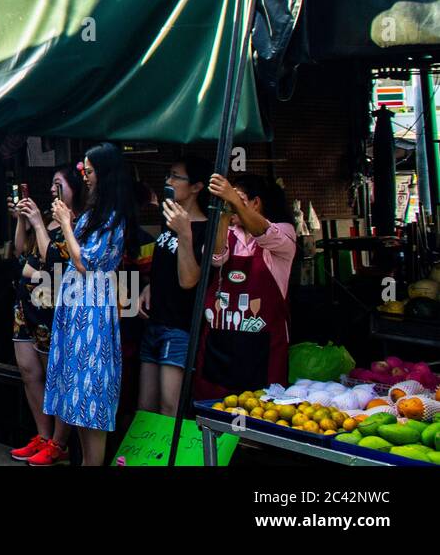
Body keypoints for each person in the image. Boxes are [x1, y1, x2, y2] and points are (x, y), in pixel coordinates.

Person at [43, 143, 138, 465]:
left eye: (91, 171)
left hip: (92, 312)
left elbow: (87, 262)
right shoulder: (98, 212)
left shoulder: (113, 216)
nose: (86, 176)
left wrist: (66, 224)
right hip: (77, 309)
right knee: (78, 402)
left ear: (106, 174)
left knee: (90, 398)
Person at [194, 173, 297, 399]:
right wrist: (222, 217)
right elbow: (215, 258)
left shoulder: (283, 232)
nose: (230, 204)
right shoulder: (227, 233)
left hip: (263, 347)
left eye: (238, 198)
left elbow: (264, 233)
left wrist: (231, 197)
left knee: (261, 412)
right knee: (216, 408)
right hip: (220, 345)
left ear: (256, 203)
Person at [8, 164, 85, 466]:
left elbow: (52, 267)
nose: (52, 189)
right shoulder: (50, 222)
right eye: (52, 184)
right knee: (30, 372)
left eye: (58, 184)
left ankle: (58, 442)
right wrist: (23, 221)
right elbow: (20, 254)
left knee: (57, 378)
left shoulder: (77, 225)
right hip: (26, 306)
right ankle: (42, 436)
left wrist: (40, 225)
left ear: (75, 188)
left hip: (53, 310)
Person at [137, 156, 214, 416]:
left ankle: (173, 457)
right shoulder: (168, 219)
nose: (168, 182)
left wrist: (185, 232)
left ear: (196, 187)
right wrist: (150, 287)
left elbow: (190, 279)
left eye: (175, 176)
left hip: (179, 327)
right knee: (145, 406)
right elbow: (164, 266)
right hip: (154, 322)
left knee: (170, 406)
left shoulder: (206, 229)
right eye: (168, 175)